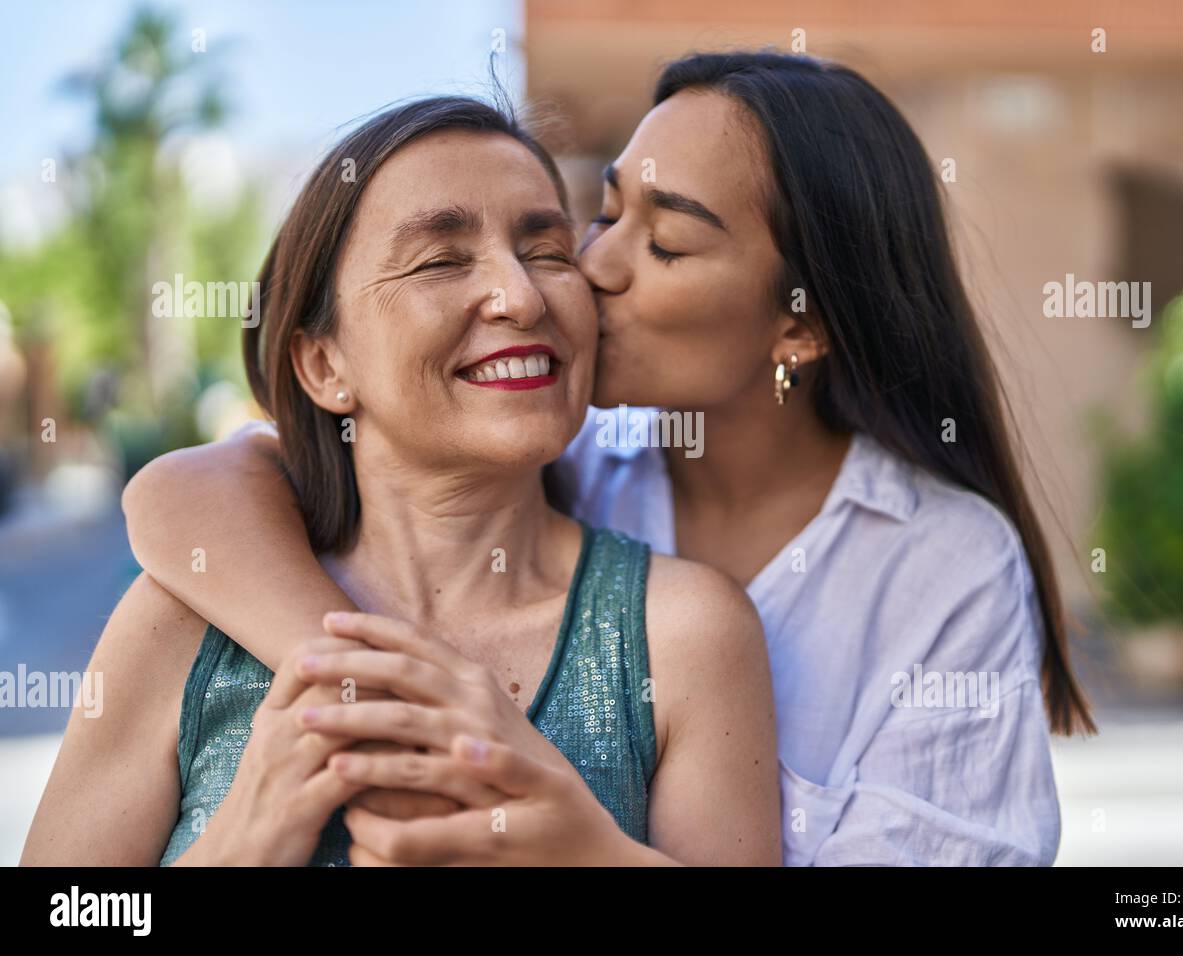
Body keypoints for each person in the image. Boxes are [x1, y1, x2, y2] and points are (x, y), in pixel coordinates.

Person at [122, 52, 1094, 866]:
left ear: (797, 328)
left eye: (665, 241)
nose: (589, 267)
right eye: (604, 212)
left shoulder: (937, 568)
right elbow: (185, 490)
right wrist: (356, 685)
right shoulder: (563, 444)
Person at [20, 95, 779, 867]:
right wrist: (237, 848)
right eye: (442, 260)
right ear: (324, 364)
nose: (520, 296)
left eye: (547, 250)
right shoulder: (181, 623)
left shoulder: (683, 635)